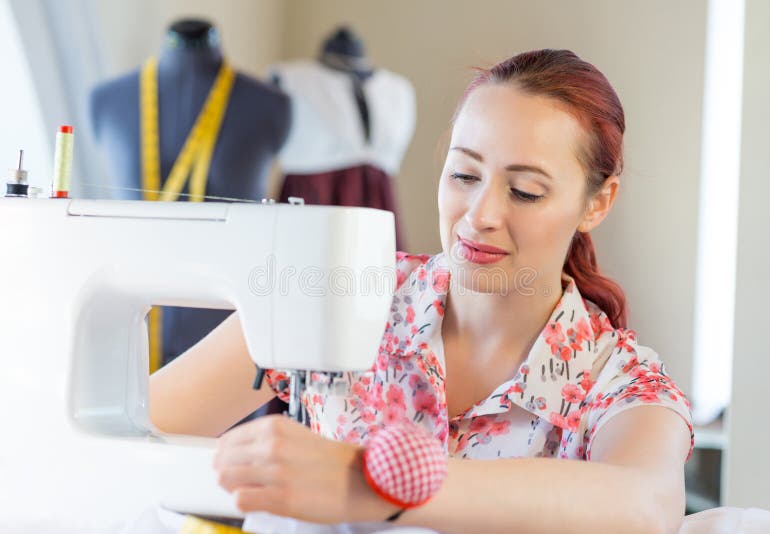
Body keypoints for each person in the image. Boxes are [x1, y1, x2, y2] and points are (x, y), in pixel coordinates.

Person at [150, 49, 694, 533]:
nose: (480, 216)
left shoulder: (620, 381)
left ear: (597, 203)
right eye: (463, 175)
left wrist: (371, 487)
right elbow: (132, 430)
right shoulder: (336, 295)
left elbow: (646, 505)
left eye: (525, 192)